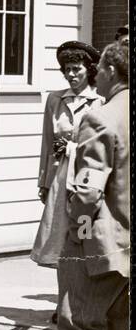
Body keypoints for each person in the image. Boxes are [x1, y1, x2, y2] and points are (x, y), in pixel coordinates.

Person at [55, 40, 129, 330]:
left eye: (98, 68)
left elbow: (86, 192)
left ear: (112, 71)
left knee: (79, 327)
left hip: (102, 246)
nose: (94, 74)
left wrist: (75, 240)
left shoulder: (100, 117)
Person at [31, 41, 101, 269]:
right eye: (67, 69)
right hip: (61, 177)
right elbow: (46, 144)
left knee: (84, 231)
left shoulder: (101, 101)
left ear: (88, 70)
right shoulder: (55, 100)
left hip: (88, 178)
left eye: (76, 69)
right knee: (59, 238)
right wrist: (44, 182)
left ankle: (84, 294)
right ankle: (65, 298)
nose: (71, 74)